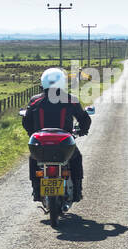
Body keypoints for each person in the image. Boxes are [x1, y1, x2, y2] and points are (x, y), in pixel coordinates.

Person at [23, 67, 91, 201]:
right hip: (63, 144)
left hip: (41, 144)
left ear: (44, 82)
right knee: (76, 158)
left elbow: (26, 121)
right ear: (62, 82)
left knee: (33, 159)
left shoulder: (35, 100)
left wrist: (32, 132)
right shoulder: (71, 99)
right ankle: (77, 191)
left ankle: (36, 190)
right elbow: (84, 119)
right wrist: (83, 130)